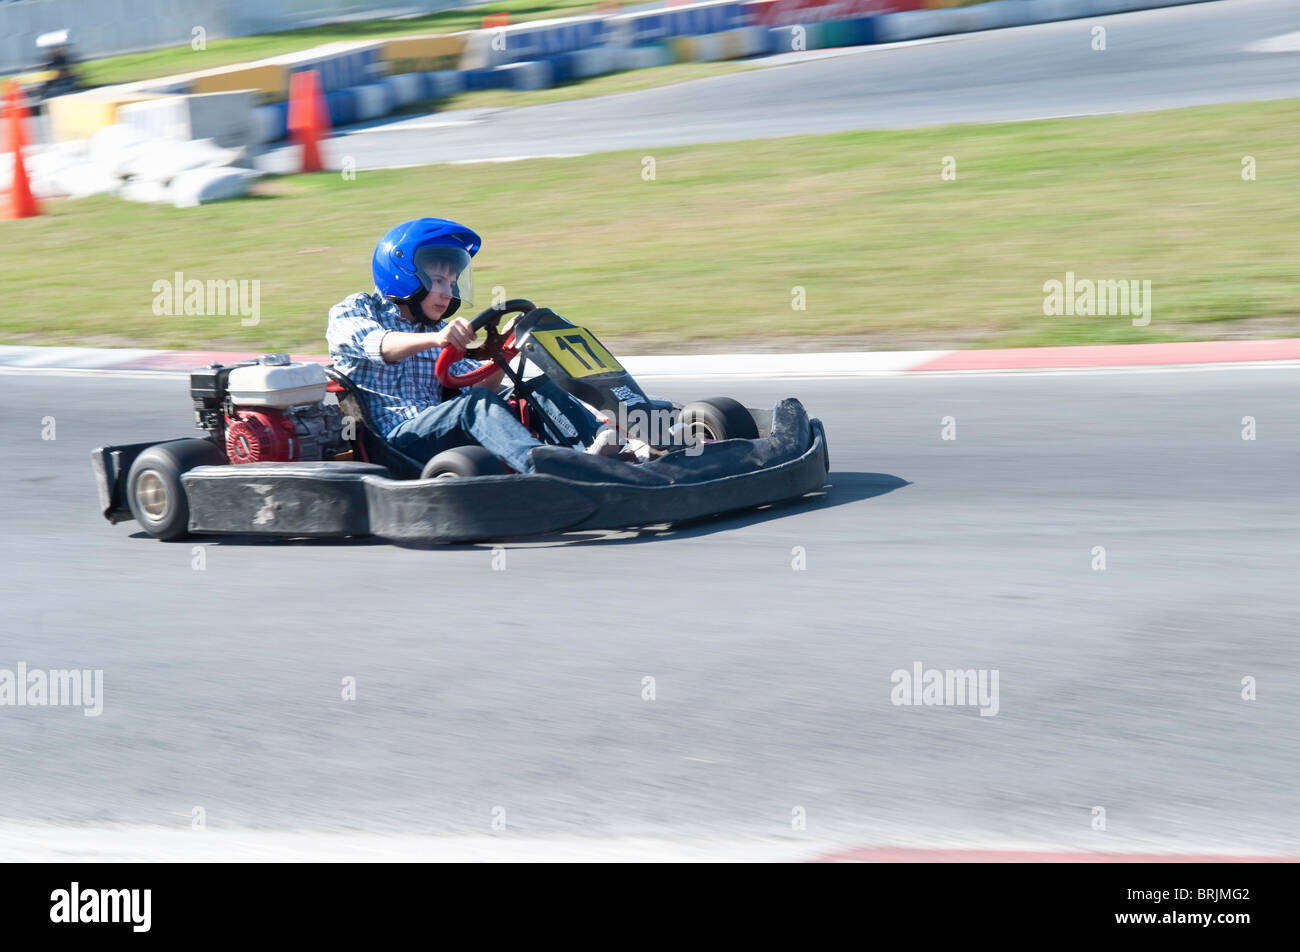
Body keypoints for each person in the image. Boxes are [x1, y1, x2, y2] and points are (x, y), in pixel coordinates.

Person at [327, 217, 621, 472]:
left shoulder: (439, 329)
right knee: (473, 407)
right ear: (403, 274)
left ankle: (603, 450)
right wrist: (436, 339)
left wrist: (503, 351)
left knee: (536, 387)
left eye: (452, 283)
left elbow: (479, 389)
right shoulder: (357, 309)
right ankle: (543, 466)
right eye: (439, 281)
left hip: (440, 429)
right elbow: (378, 345)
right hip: (393, 442)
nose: (447, 293)